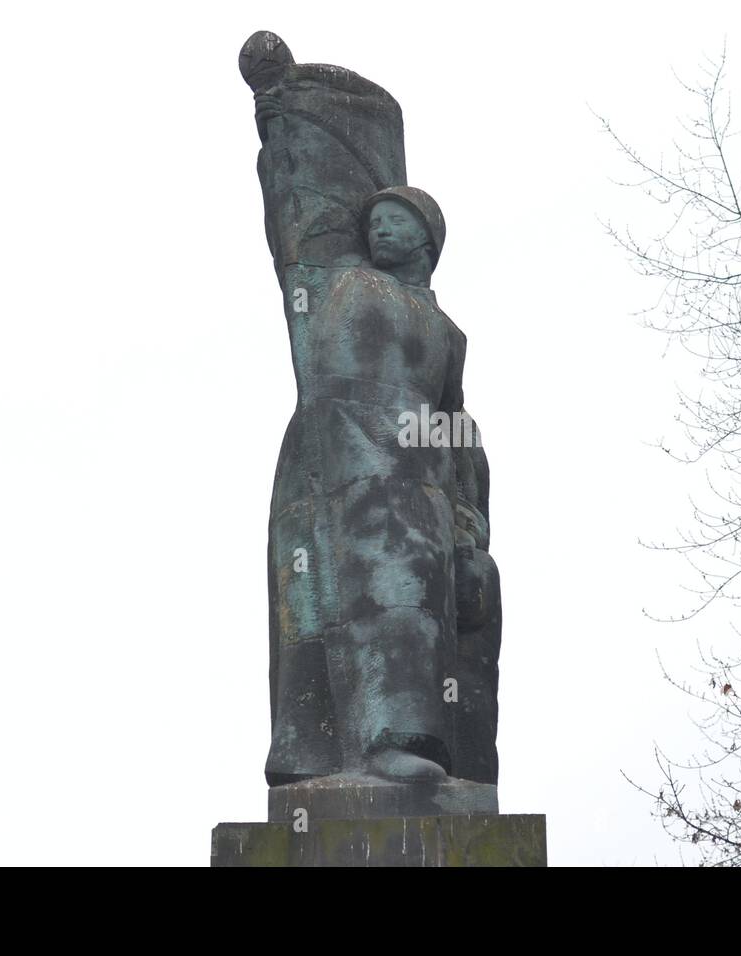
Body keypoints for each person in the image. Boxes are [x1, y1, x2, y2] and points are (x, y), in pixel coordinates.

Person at [242, 34, 491, 784]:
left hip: (411, 479)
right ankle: (335, 748)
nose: (379, 226)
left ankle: (398, 737)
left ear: (428, 239)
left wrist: (467, 522)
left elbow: (458, 430)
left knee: (411, 602)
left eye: (398, 219)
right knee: (323, 604)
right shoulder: (333, 281)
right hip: (336, 461)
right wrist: (277, 110)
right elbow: (298, 215)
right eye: (374, 217)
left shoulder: (448, 333)